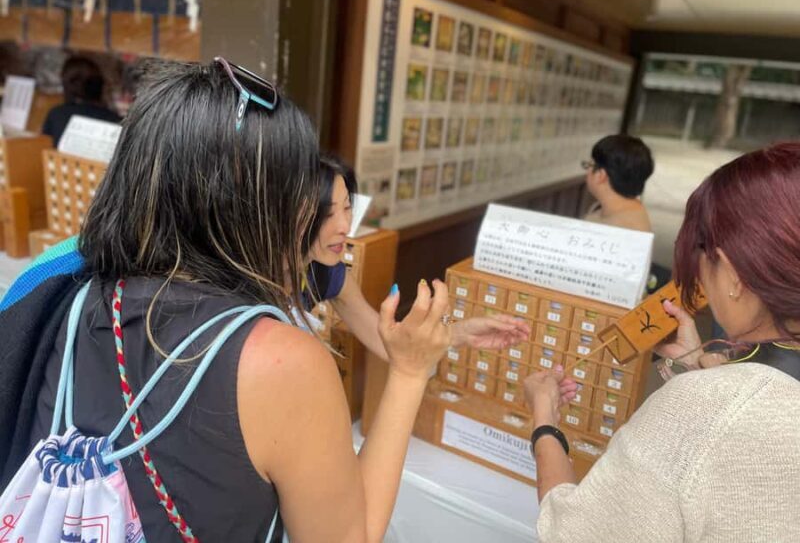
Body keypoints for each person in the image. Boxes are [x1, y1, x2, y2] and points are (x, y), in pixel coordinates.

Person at [20, 59, 454, 542]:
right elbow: (351, 536)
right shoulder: (280, 360)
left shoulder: (75, 291)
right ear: (253, 206)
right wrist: (411, 371)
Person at [524, 142, 800, 542]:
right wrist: (697, 368)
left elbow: (574, 530)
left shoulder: (702, 411)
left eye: (703, 253)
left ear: (736, 274)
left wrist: (544, 421)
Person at [302, 153, 531, 361]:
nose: (344, 225)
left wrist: (458, 329)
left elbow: (389, 340)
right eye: (327, 213)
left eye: (347, 207)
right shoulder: (267, 283)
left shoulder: (327, 273)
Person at [42, 55, 121, 146]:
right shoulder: (115, 120)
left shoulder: (56, 114)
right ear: (100, 85)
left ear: (66, 85)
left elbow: (43, 149)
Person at [582, 134, 654, 232]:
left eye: (589, 165)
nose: (587, 172)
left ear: (600, 175)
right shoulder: (604, 208)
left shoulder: (627, 229)